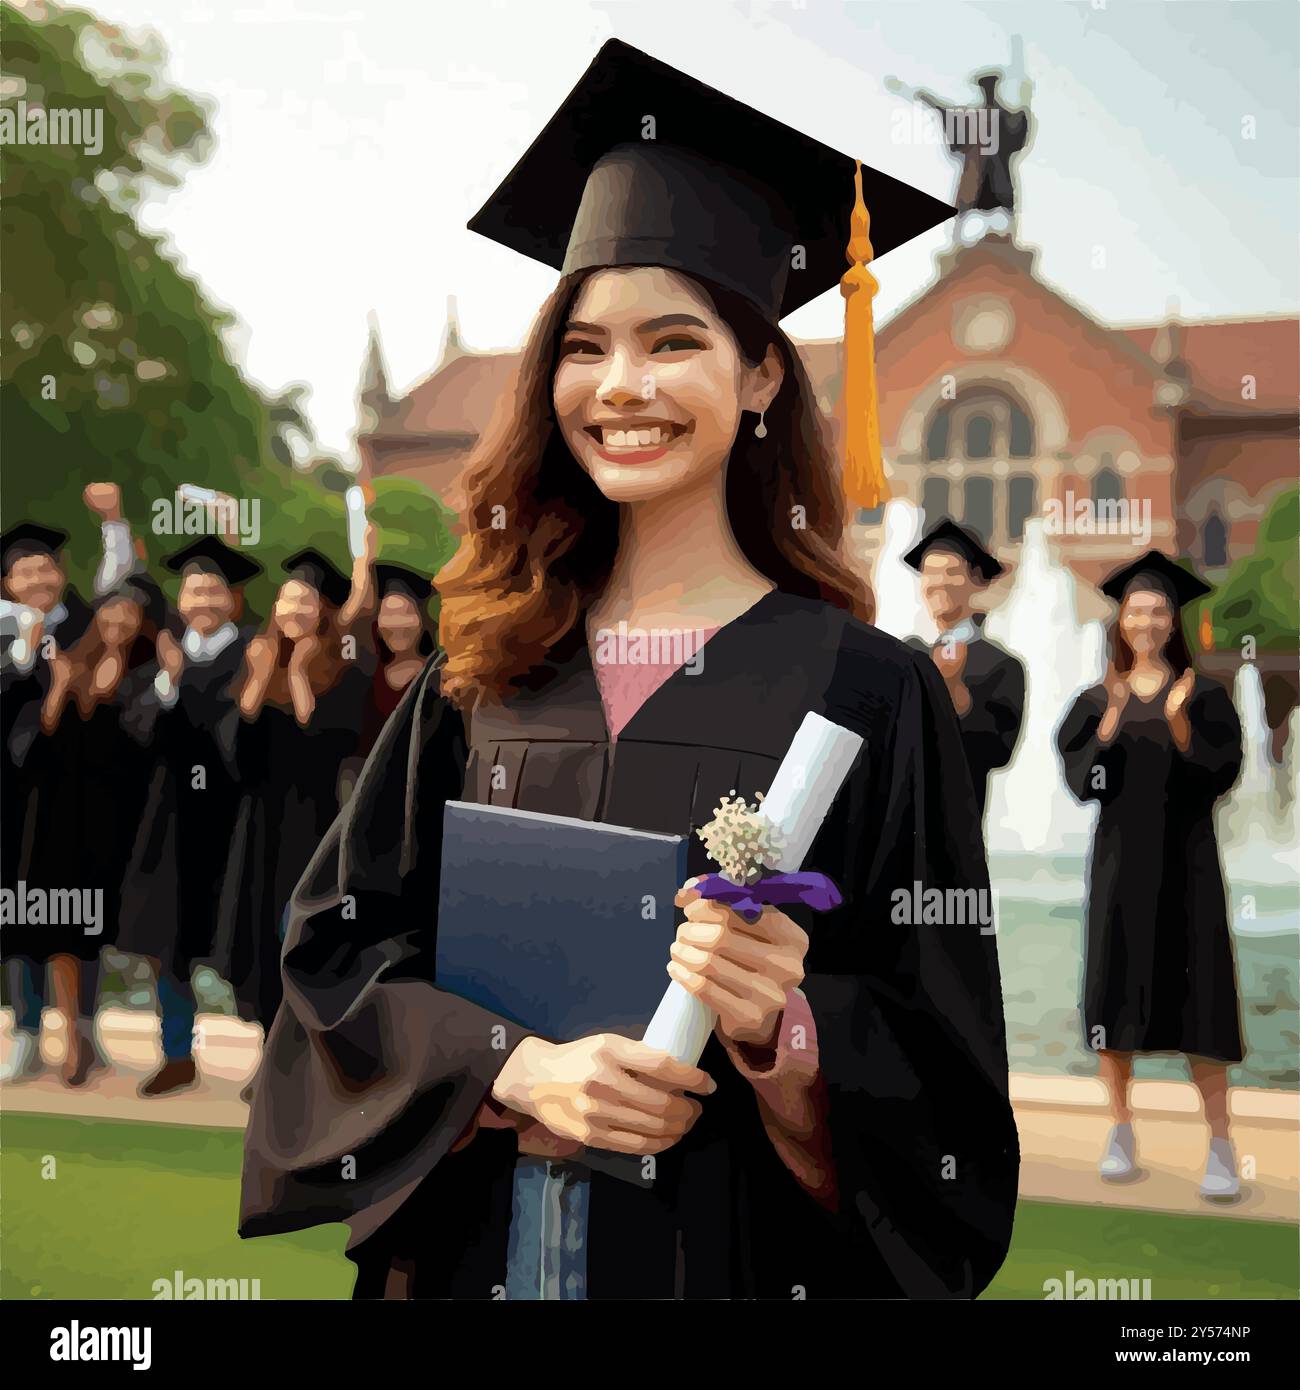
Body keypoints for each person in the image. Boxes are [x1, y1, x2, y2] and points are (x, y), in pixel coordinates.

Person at [237, 39, 1018, 1299]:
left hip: (728, 1261)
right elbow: (334, 956)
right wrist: (507, 1067)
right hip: (468, 1253)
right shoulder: (480, 670)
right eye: (585, 347)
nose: (622, 387)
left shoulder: (869, 691)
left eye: (672, 342)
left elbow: (949, 1078)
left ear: (760, 371)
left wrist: (787, 1034)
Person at [1057, 550, 1245, 1199]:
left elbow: (1220, 779)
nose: (1147, 619)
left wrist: (1179, 723)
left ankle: (1220, 1145)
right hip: (1118, 871)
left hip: (1187, 871)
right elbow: (1083, 783)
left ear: (1173, 620)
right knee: (1116, 995)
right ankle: (1120, 1128)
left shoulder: (1207, 694)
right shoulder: (1093, 699)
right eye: (1137, 609)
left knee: (1203, 999)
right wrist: (1111, 720)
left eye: (1159, 609)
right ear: (1122, 619)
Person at [116, 536, 263, 1096]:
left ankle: (267, 1059)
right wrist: (170, 681)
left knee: (239, 933)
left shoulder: (251, 651)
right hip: (172, 819)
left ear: (233, 598)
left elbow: (242, 741)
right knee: (169, 942)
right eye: (194, 588)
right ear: (181, 598)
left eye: (213, 588)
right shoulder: (167, 658)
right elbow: (137, 734)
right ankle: (177, 1052)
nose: (202, 597)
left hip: (233, 819)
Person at [1, 486, 136, 1084]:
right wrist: (24, 659)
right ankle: (26, 1031)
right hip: (12, 796)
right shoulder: (4, 637)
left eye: (45, 566)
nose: (37, 578)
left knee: (79, 911)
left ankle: (81, 1029)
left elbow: (119, 592)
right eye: (24, 571)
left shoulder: (82, 620)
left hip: (74, 797)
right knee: (15, 912)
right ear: (7, 584)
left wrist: (113, 523)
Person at [16, 574, 166, 1085]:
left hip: (120, 815)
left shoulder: (145, 672)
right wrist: (59, 688)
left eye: (130, 613)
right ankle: (72, 1035)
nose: (119, 620)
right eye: (111, 610)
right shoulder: (68, 663)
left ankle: (89, 1024)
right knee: (63, 921)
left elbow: (142, 739)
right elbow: (38, 740)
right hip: (62, 813)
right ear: (98, 616)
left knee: (101, 926)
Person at [211, 549, 369, 1028]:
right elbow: (234, 750)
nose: (294, 611)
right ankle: (264, 1046)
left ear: (322, 610)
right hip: (259, 821)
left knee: (296, 932)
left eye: (305, 602)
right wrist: (260, 679)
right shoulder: (258, 660)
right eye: (286, 602)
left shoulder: (344, 670)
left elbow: (325, 743)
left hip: (311, 821)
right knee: (256, 933)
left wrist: (299, 674)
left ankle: (295, 1046)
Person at [903, 519, 1026, 820]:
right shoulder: (905, 652)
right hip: (900, 812)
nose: (939, 582)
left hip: (958, 816)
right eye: (930, 573)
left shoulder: (1000, 665)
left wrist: (955, 691)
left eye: (951, 572)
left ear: (976, 581)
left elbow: (998, 752)